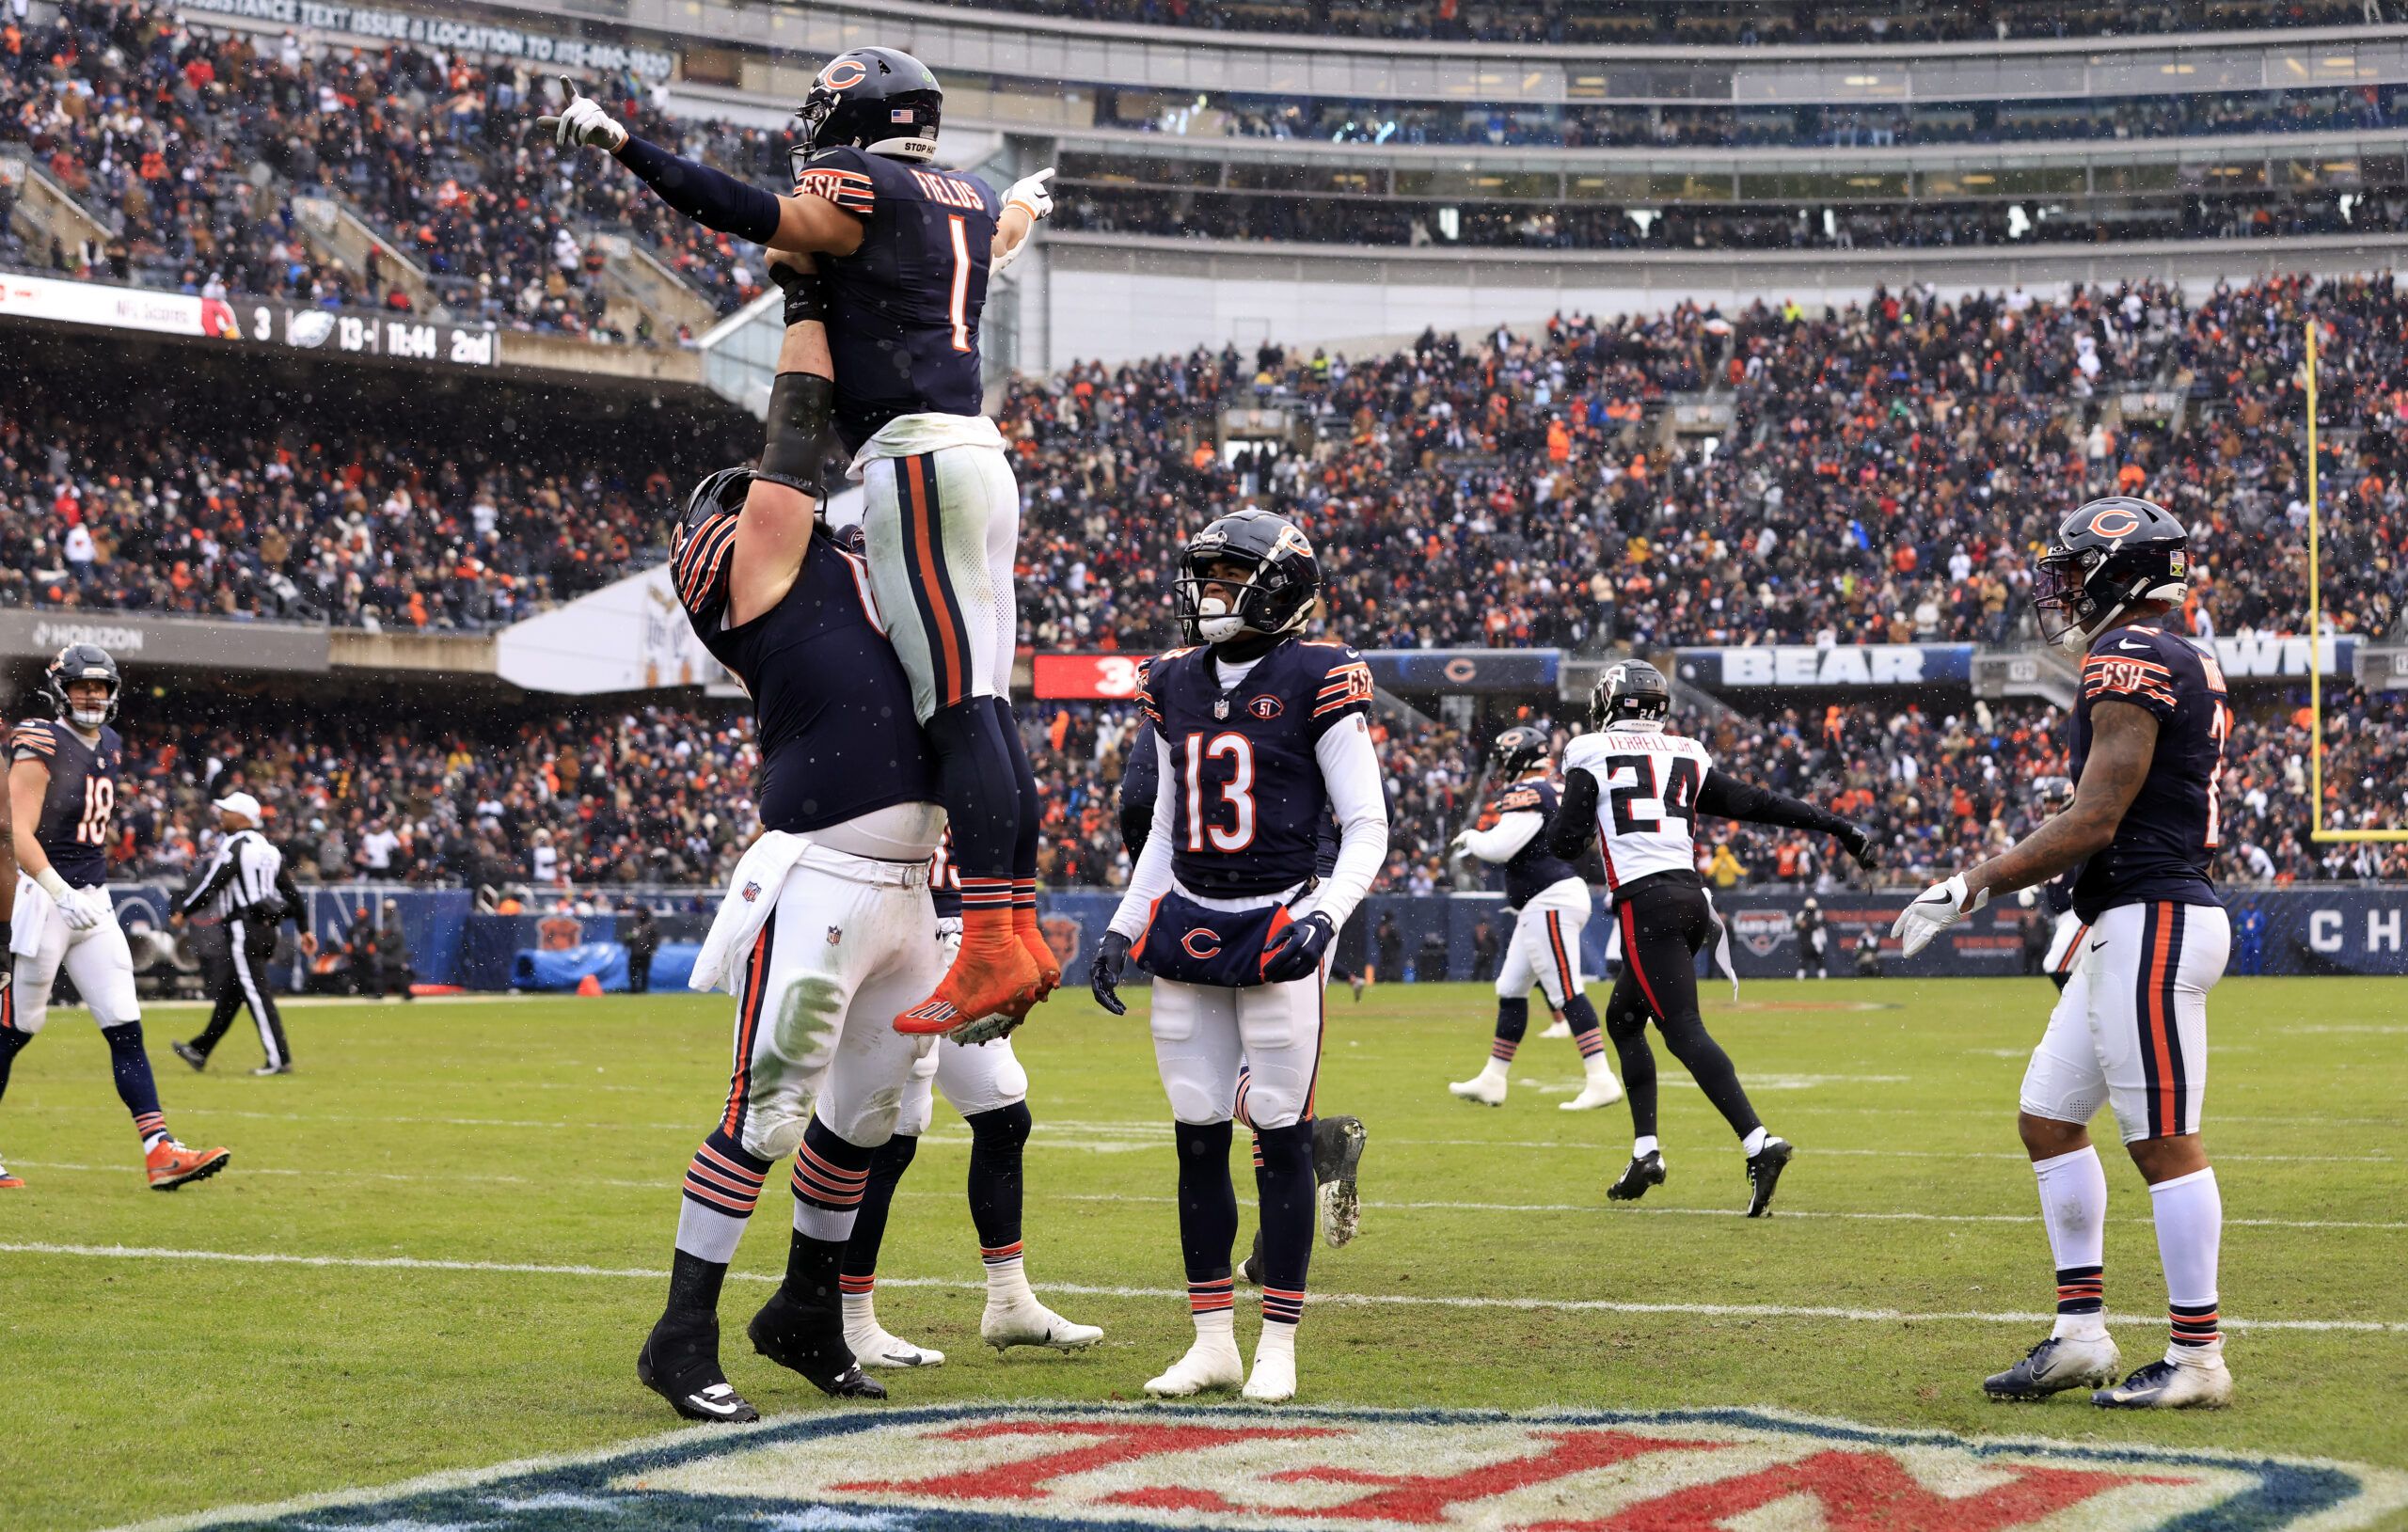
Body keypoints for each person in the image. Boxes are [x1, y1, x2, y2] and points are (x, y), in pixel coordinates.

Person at [541, 54, 1063, 1035]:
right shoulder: (967, 198)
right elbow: (1001, 236)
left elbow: (750, 212)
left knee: (957, 705)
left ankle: (993, 938)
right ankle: (1017, 925)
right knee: (984, 701)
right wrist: (1028, 203)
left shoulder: (861, 184)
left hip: (914, 462)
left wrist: (626, 147)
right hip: (979, 459)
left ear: (858, 116)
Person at [637, 256, 972, 1421]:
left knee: (864, 1122)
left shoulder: (849, 573)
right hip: (818, 872)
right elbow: (790, 448)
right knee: (768, 1108)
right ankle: (681, 1335)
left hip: (906, 888)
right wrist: (812, 310)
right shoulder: (759, 576)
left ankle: (804, 1311)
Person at [1893, 498, 2236, 1411]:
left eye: (2074, 569)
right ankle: (2080, 1336)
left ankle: (2197, 1358)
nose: (2062, 589)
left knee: (2163, 1143)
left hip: (2152, 915)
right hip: (2127, 917)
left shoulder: (2128, 654)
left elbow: (2095, 817)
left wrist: (1971, 882)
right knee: (2048, 1116)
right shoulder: (2178, 647)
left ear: (2119, 570)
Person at [1091, 509, 1387, 1403]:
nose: (1210, 594)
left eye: (1229, 577)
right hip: (1187, 920)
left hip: (1278, 916)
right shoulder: (1172, 681)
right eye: (1206, 577)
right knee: (1195, 1139)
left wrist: (1327, 915)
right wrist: (1122, 922)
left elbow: (1367, 824)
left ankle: (1279, 1345)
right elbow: (1164, 831)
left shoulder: (1319, 674)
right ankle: (1211, 1338)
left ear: (1281, 584)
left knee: (1285, 1138)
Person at [1543, 659, 1874, 1216]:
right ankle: (1646, 1152)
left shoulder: (1588, 752)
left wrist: (1560, 812)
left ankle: (1758, 1142)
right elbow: (1758, 803)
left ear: (1609, 703)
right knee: (1624, 1020)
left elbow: (1566, 842)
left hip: (1647, 905)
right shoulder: (1687, 753)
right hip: (1691, 902)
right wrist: (1834, 824)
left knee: (1682, 1031)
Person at [1116, 701, 1371, 1280]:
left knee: (1217, 1078)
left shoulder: (1189, 690)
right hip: (1316, 886)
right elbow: (1364, 818)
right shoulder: (1304, 692)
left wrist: (1155, 887)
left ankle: (1314, 1145)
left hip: (1225, 896)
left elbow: (1140, 802)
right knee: (1275, 1071)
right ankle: (1268, 1243)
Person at [836, 830, 1101, 1368]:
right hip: (897, 935)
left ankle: (1009, 1300)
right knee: (888, 1134)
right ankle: (850, 1319)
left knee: (1003, 1113)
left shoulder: (979, 757)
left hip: (963, 940)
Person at [2, 645, 229, 1192]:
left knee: (124, 1024)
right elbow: (19, 833)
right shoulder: (39, 739)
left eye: (101, 687)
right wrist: (57, 889)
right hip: (45, 897)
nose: (92, 696)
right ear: (61, 689)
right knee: (17, 1028)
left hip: (94, 900)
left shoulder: (110, 744)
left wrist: (84, 891)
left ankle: (160, 1151)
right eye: (83, 686)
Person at [1447, 724, 1620, 1112]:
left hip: (1550, 899)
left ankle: (1600, 1077)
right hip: (1544, 901)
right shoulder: (1553, 787)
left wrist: (1472, 837)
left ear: (1516, 757)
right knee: (1511, 988)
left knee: (1566, 991)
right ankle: (1493, 1078)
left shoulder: (1531, 791)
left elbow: (1500, 846)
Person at [169, 792, 304, 1075]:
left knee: (256, 993)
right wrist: (305, 928)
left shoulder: (235, 846)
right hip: (267, 931)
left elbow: (212, 884)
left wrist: (184, 911)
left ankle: (279, 1058)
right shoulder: (269, 849)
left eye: (228, 811)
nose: (222, 815)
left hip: (244, 928)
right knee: (233, 994)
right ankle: (200, 1049)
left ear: (243, 817)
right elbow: (292, 893)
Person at [624, 905, 662, 994]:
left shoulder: (651, 924)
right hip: (634, 952)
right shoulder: (634, 923)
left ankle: (643, 989)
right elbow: (627, 936)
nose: (638, 914)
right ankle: (633, 989)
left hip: (645, 953)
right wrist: (629, 939)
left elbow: (655, 938)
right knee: (633, 972)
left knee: (644, 972)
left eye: (640, 912)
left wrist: (653, 948)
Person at [1792, 896, 1828, 980]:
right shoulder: (1801, 914)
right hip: (1806, 940)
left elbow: (1820, 924)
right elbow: (1795, 926)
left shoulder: (1818, 914)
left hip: (1816, 941)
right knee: (1805, 959)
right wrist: (1800, 925)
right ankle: (1801, 976)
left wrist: (1807, 924)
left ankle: (1822, 976)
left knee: (1818, 960)